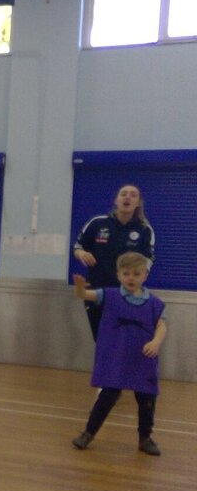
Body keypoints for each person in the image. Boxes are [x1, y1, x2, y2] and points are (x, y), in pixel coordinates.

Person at [70, 252, 166, 456]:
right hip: (116, 357)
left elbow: (162, 326)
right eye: (126, 273)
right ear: (118, 275)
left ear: (145, 275)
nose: (131, 277)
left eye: (136, 274)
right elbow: (84, 295)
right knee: (107, 395)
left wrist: (156, 342)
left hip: (142, 359)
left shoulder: (154, 303)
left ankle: (145, 438)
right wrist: (79, 287)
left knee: (147, 398)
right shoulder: (109, 295)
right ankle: (88, 433)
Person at [73, 184, 154, 340]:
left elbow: (148, 260)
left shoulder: (144, 230)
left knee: (123, 341)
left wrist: (137, 278)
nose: (128, 197)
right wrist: (81, 253)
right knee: (100, 339)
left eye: (133, 195)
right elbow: (77, 246)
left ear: (138, 203)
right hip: (97, 291)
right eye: (123, 194)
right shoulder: (97, 223)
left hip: (127, 295)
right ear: (116, 200)